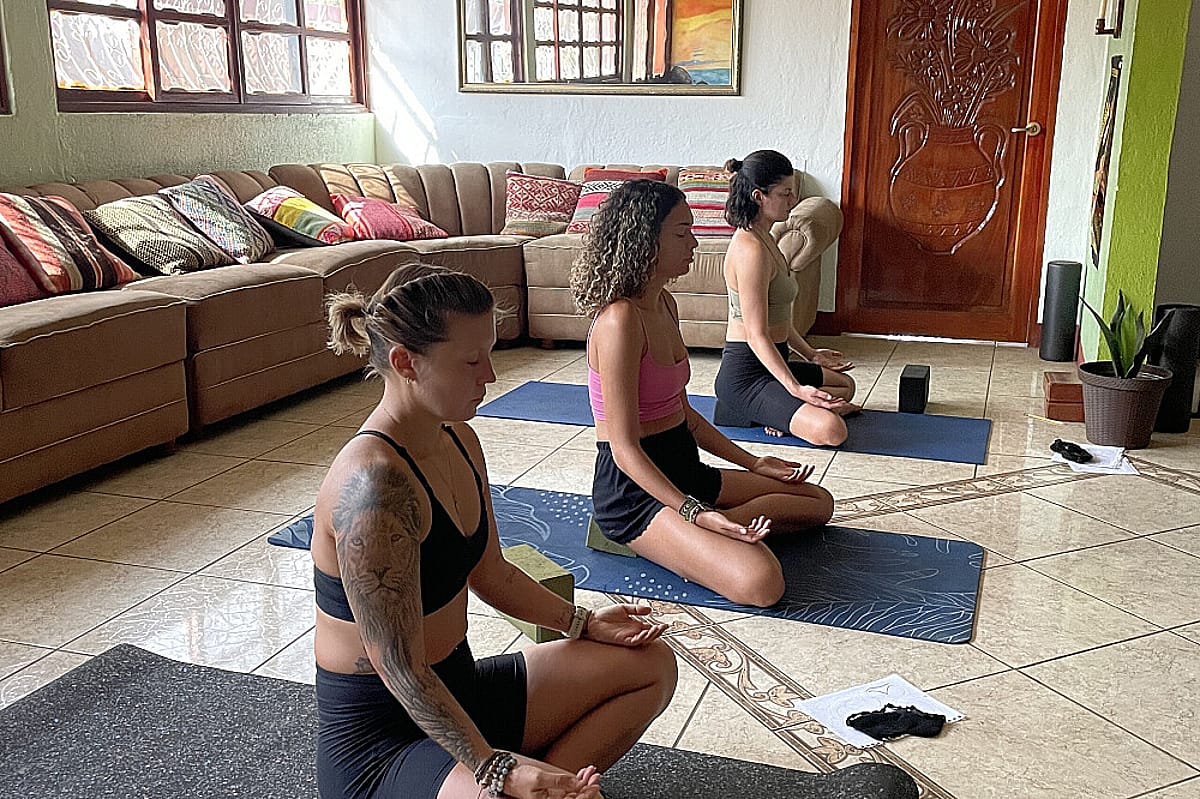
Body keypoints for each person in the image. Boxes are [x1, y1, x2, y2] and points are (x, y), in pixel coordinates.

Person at [313, 262, 678, 799]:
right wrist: (491, 767)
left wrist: (582, 622)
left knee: (649, 663)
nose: (490, 374)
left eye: (490, 352)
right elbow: (401, 668)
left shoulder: (458, 438)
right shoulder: (374, 486)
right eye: (470, 360)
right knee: (501, 786)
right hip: (382, 744)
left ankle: (555, 788)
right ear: (404, 362)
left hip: (457, 692)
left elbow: (492, 573)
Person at [571, 180, 835, 609]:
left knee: (817, 502)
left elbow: (685, 417)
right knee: (762, 583)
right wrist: (693, 511)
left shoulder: (665, 304)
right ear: (644, 238)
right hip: (635, 493)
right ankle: (697, 530)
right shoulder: (619, 321)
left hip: (685, 469)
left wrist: (755, 462)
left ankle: (723, 525)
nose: (694, 242)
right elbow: (623, 448)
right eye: (681, 232)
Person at [714, 149, 859, 446]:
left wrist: (812, 355)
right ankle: (762, 410)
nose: (792, 201)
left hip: (775, 361)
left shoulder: (766, 237)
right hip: (746, 375)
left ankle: (778, 411)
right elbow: (756, 335)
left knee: (845, 387)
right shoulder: (750, 250)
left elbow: (779, 315)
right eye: (785, 194)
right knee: (833, 430)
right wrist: (794, 389)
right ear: (758, 196)